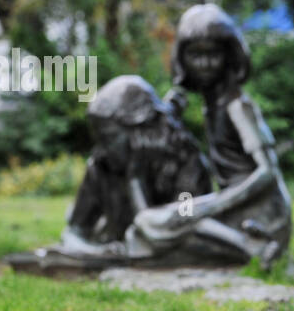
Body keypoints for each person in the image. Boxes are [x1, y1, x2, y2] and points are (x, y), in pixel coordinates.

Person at [130, 5, 292, 268]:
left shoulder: (238, 106)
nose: (204, 64)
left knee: (152, 223)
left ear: (229, 55)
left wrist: (212, 206)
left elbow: (268, 171)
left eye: (213, 54)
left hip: (263, 211)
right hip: (234, 206)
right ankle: (243, 246)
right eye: (195, 55)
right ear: (183, 58)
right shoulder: (211, 105)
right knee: (152, 223)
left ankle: (256, 247)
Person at [57, 75, 211, 260]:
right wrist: (95, 252)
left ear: (139, 131)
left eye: (108, 138)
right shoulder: (101, 166)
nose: (101, 149)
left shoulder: (189, 165)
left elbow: (177, 230)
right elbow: (73, 233)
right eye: (98, 138)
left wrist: (136, 180)